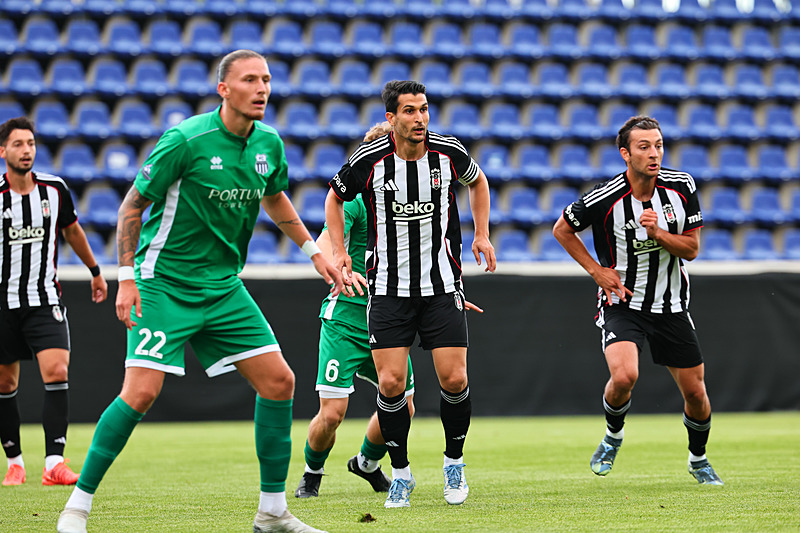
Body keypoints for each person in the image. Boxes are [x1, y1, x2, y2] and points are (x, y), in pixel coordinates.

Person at [57, 49, 342, 533]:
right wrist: (127, 277)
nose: (262, 89)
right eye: (250, 79)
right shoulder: (186, 140)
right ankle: (76, 508)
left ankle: (272, 512)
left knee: (280, 382)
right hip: (163, 283)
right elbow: (131, 207)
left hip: (223, 287)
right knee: (142, 392)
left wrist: (314, 250)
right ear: (223, 89)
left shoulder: (269, 144)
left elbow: (273, 195)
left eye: (267, 80)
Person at [325, 81, 497, 509]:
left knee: (455, 379)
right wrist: (341, 251)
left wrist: (482, 233)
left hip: (441, 287)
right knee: (391, 383)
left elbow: (478, 183)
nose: (419, 118)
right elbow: (333, 197)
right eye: (409, 111)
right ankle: (400, 473)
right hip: (388, 290)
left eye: (423, 109)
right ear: (391, 118)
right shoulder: (368, 160)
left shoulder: (449, 152)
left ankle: (453, 464)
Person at [552, 115, 723, 486]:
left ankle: (699, 458)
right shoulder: (605, 196)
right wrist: (598, 272)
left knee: (695, 392)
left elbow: (692, 249)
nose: (654, 153)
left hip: (671, 305)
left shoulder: (681, 187)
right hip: (622, 301)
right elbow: (562, 230)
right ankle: (613, 435)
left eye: (658, 145)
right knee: (625, 375)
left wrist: (657, 232)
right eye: (644, 147)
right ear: (625, 154)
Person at [295, 122, 417, 499]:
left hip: (389, 315)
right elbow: (327, 240)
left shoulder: (409, 199)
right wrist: (339, 266)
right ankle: (311, 474)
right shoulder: (355, 199)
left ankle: (366, 463)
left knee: (404, 407)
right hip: (347, 318)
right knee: (332, 412)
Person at [0, 117, 108, 488]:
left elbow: (72, 229)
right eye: (18, 144)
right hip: (2, 303)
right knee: (4, 381)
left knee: (58, 371)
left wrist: (94, 269)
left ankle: (54, 463)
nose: (26, 150)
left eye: (30, 143)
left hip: (44, 298)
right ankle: (14, 461)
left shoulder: (54, 190)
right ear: (3, 152)